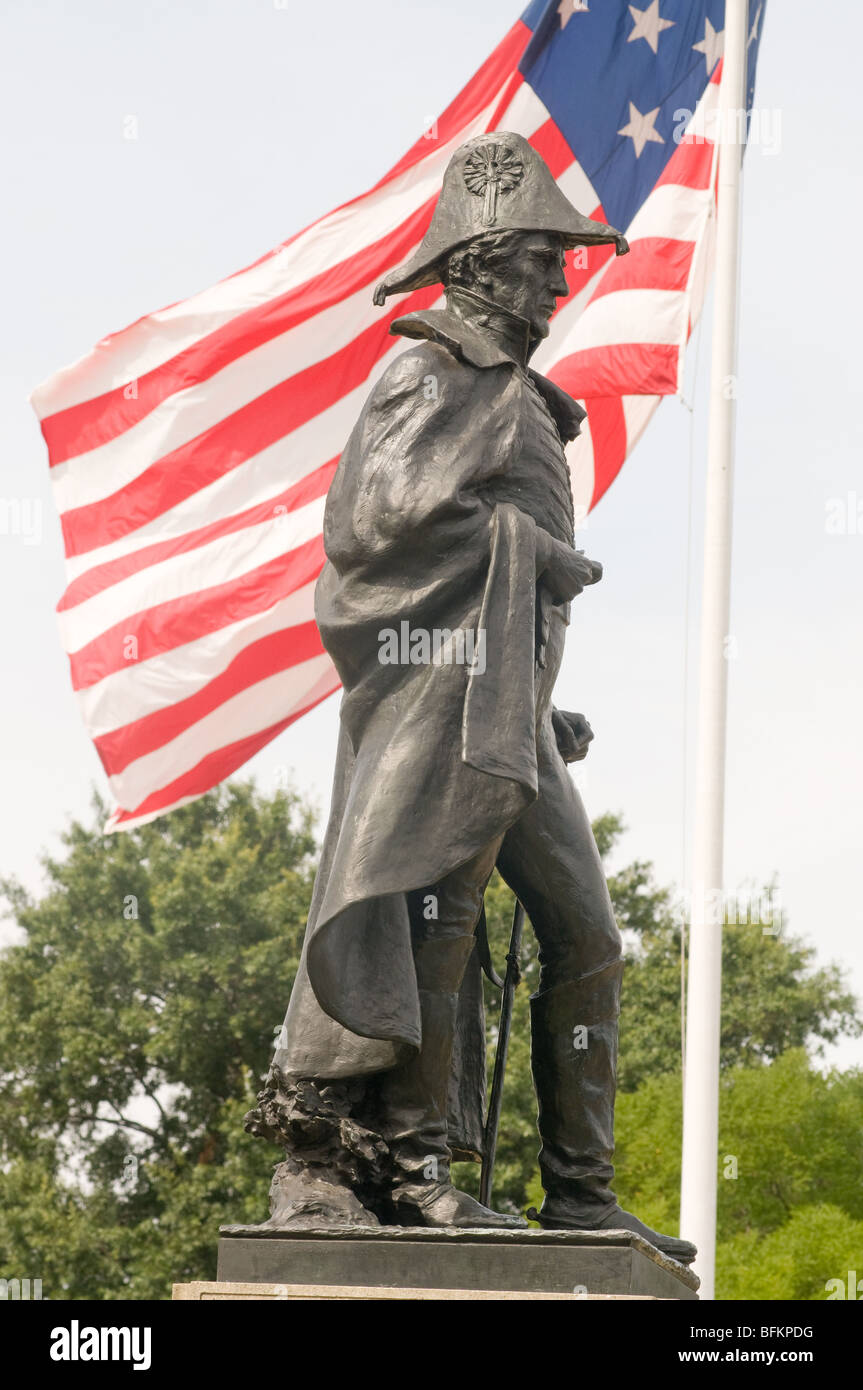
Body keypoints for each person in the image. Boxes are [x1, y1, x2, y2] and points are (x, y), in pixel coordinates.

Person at [251, 133, 695, 1264]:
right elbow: (370, 531)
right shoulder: (427, 371)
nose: (561, 279)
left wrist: (540, 701)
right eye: (545, 258)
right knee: (435, 922)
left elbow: (466, 571)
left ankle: (581, 1193)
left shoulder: (512, 394)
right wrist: (529, 553)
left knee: (588, 936)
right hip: (442, 710)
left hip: (501, 711)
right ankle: (413, 1163)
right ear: (485, 263)